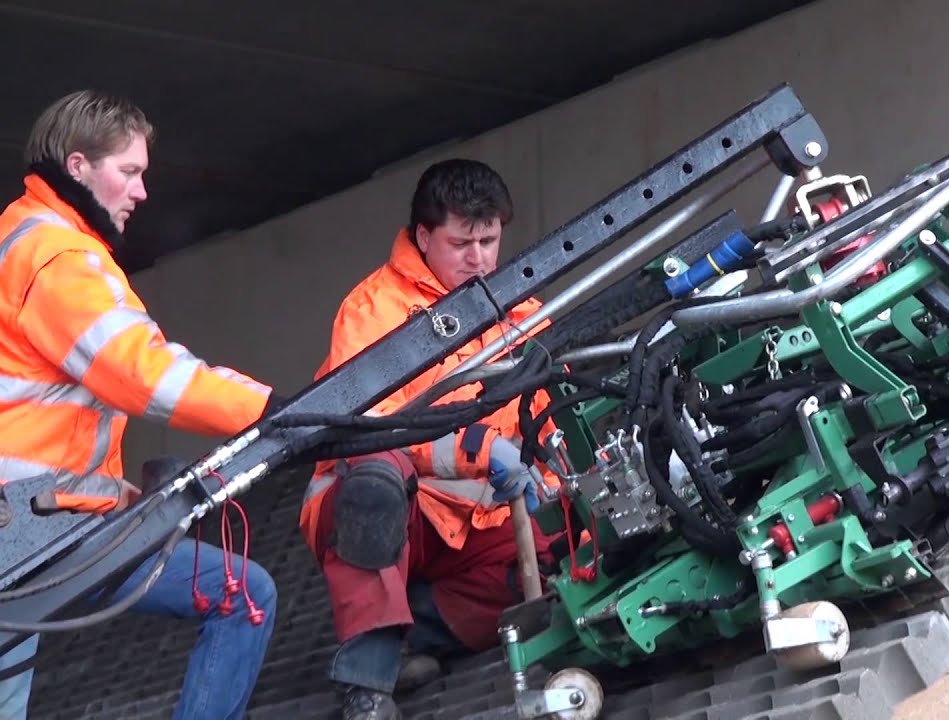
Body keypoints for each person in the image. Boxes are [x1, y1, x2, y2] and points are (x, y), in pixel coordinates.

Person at [0, 89, 283, 719]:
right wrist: (268, 410)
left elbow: (37, 414)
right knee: (243, 594)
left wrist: (114, 494)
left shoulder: (15, 237)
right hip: (28, 531)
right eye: (128, 171)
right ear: (78, 167)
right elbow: (142, 373)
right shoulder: (56, 257)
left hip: (37, 526)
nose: (142, 191)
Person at [297, 159, 562, 720]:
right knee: (373, 481)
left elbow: (550, 420)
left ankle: (411, 631)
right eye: (461, 243)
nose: (479, 259)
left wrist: (553, 483)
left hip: (474, 524)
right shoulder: (371, 312)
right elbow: (368, 429)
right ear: (422, 236)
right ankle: (367, 684)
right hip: (392, 511)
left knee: (553, 564)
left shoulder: (522, 313)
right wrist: (482, 450)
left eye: (488, 241)